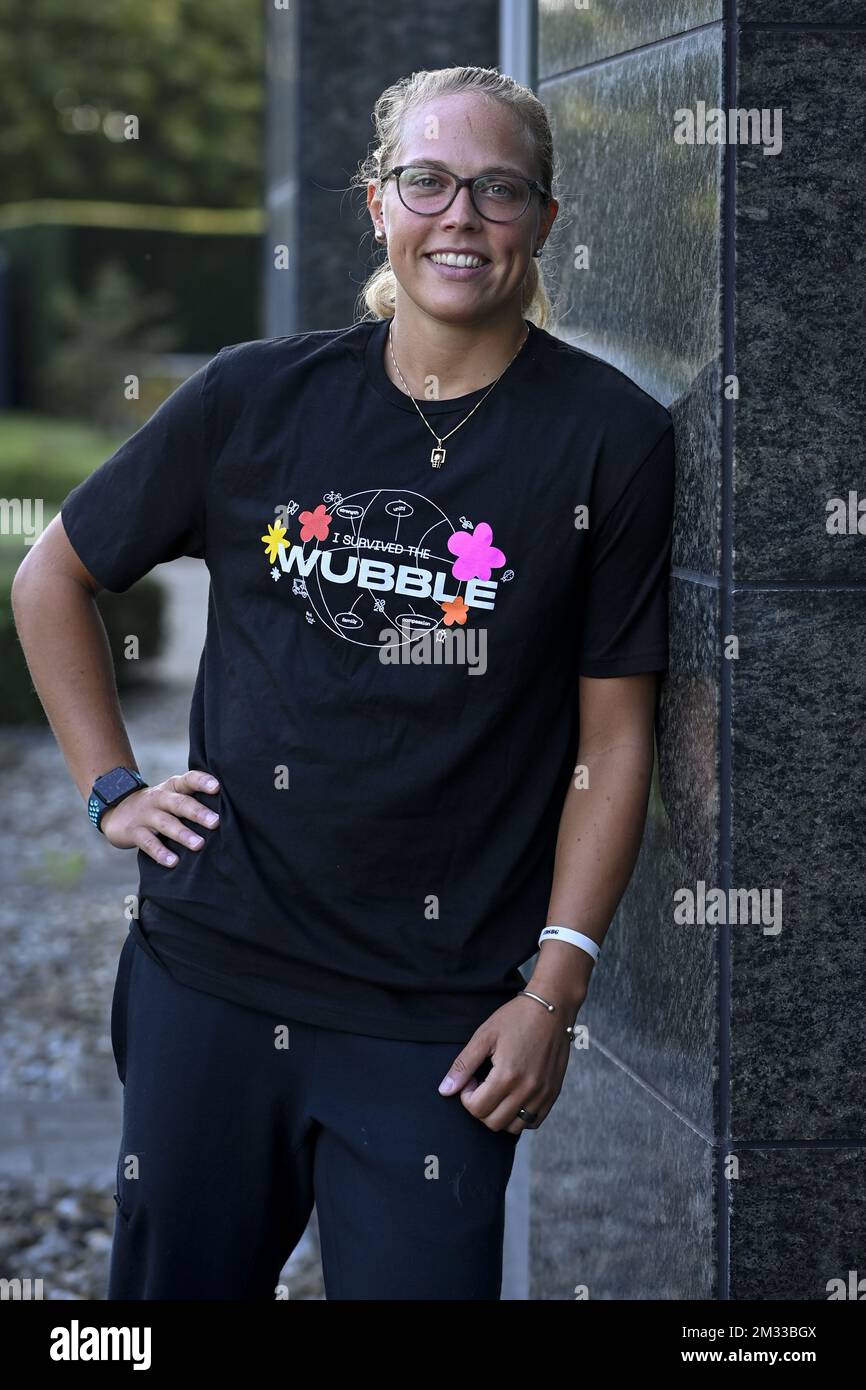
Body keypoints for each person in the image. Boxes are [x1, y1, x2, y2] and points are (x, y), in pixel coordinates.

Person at [11, 64, 675, 1301]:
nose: (460, 215)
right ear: (377, 204)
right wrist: (110, 787)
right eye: (427, 181)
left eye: (497, 187)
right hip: (209, 973)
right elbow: (52, 576)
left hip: (439, 1017)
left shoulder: (611, 439)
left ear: (542, 220)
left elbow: (614, 734)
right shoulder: (254, 396)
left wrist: (556, 982)